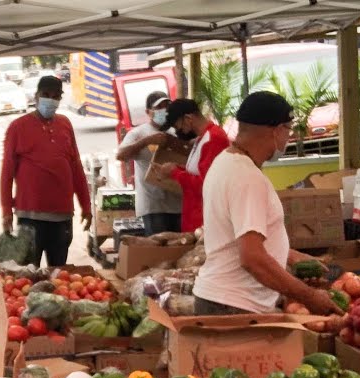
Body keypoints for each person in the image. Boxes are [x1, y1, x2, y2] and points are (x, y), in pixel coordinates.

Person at [194, 91, 340, 316]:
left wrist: (289, 255)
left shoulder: (225, 162)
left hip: (222, 300)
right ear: (276, 130)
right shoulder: (247, 177)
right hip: (235, 305)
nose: (288, 138)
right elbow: (252, 258)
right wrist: (309, 296)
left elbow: (240, 238)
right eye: (288, 130)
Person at [0, 75, 92, 266]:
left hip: (62, 215)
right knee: (27, 275)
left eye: (56, 96)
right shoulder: (17, 127)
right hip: (30, 217)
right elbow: (7, 172)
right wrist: (6, 210)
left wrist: (86, 206)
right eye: (46, 94)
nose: (51, 99)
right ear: (36, 96)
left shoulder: (65, 124)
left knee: (58, 274)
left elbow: (76, 168)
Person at [151, 98, 230, 234]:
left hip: (204, 222)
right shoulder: (202, 138)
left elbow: (206, 185)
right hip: (194, 218)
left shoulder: (213, 139)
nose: (179, 132)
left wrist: (175, 173)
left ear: (188, 119)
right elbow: (198, 172)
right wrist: (176, 169)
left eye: (178, 127)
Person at [116, 91, 182, 235]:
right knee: (158, 251)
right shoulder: (138, 133)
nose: (164, 111)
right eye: (159, 108)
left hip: (177, 203)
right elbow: (120, 155)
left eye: (167, 106)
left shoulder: (177, 131)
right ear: (148, 112)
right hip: (153, 206)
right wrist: (147, 141)